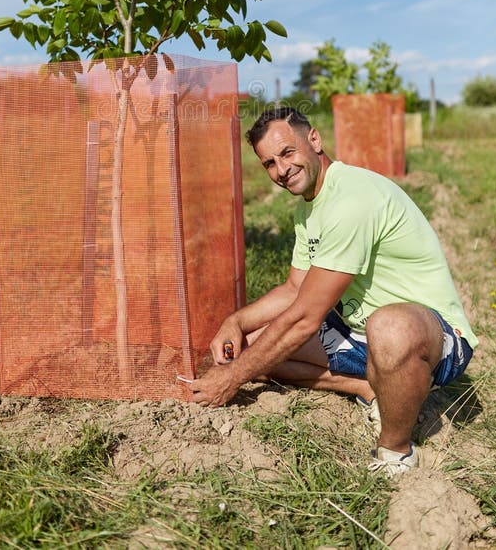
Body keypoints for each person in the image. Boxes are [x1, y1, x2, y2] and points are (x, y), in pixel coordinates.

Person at [189, 106, 477, 476]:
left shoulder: (351, 197)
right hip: (364, 335)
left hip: (434, 339)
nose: (281, 169)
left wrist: (232, 377)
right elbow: (296, 288)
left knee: (388, 326)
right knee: (254, 344)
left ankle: (395, 452)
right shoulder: (308, 209)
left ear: (314, 140)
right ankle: (369, 386)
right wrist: (237, 322)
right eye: (269, 163)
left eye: (288, 152)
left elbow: (306, 318)